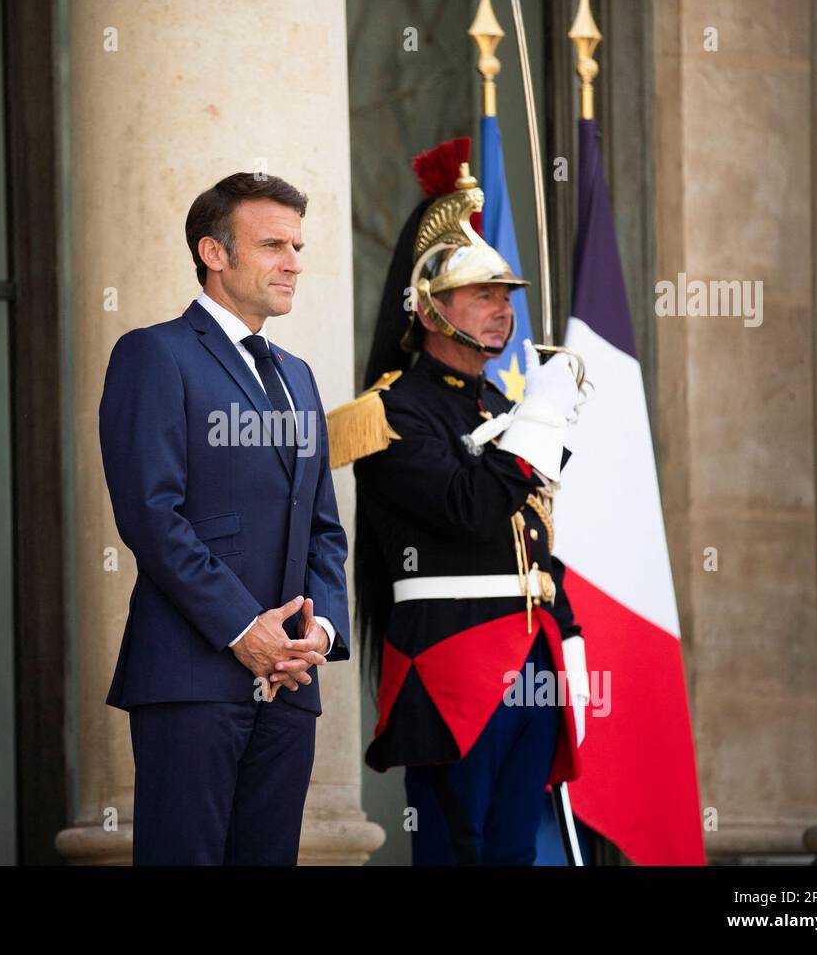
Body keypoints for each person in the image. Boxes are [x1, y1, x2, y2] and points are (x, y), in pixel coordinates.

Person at [337, 138, 590, 865]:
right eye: (482, 294)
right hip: (450, 659)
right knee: (459, 849)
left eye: (505, 296)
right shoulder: (390, 413)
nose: (500, 310)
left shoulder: (500, 402)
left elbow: (535, 535)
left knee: (515, 850)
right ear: (427, 307)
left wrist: (566, 633)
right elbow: (469, 508)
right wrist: (536, 422)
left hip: (531, 652)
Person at [98, 172, 351, 865]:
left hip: (291, 684)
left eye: (297, 245)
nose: (294, 262)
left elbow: (324, 529)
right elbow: (151, 514)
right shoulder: (154, 354)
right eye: (273, 244)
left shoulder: (298, 374)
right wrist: (245, 630)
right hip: (190, 680)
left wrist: (318, 631)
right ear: (214, 253)